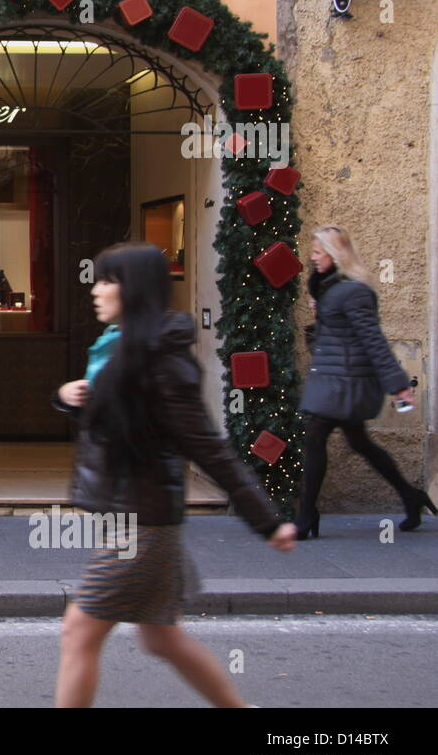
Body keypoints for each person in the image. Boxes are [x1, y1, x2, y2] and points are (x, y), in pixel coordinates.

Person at [51, 242, 297, 708]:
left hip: (142, 524)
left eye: (108, 280)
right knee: (161, 638)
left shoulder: (162, 362)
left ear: (135, 289)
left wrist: (265, 518)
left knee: (78, 631)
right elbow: (110, 430)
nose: (96, 290)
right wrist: (67, 397)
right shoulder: (122, 350)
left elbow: (207, 446)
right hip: (139, 516)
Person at [296, 225, 434, 539]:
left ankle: (306, 516)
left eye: (318, 252)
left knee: (316, 436)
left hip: (347, 380)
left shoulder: (354, 291)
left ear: (333, 254)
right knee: (360, 443)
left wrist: (398, 384)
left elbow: (373, 340)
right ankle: (411, 496)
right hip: (332, 377)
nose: (313, 258)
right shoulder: (332, 288)